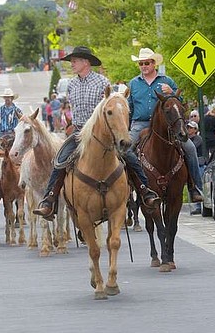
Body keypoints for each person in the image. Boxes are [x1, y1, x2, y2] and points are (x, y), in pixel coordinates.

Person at [33, 46, 160, 219]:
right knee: (60, 160)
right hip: (79, 132)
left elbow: (113, 108)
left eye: (75, 61)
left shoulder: (102, 82)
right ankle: (50, 200)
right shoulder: (71, 84)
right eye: (72, 61)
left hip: (101, 134)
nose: (72, 64)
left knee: (129, 157)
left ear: (86, 62)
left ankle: (145, 191)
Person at [126, 48, 203, 203]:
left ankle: (194, 187)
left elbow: (179, 104)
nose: (144, 66)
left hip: (165, 125)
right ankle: (127, 191)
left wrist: (173, 92)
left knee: (190, 148)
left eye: (147, 63)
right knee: (124, 150)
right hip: (140, 123)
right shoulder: (133, 83)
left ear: (154, 63)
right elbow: (129, 108)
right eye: (141, 63)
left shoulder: (167, 81)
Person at [187, 121, 205, 215]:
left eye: (191, 128)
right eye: (188, 127)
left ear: (195, 129)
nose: (189, 129)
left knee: (198, 180)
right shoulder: (185, 139)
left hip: (199, 164)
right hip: (189, 164)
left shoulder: (198, 138)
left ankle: (199, 204)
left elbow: (192, 147)